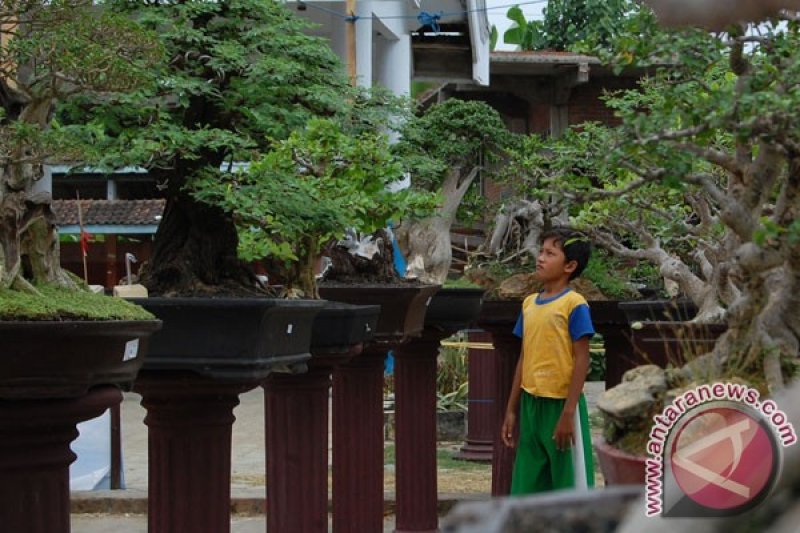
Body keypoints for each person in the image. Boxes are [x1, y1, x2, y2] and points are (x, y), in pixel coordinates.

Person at [501, 227, 595, 494]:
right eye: (541, 251)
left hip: (561, 406)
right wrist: (511, 409)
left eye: (550, 253)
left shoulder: (575, 304)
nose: (540, 258)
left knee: (568, 488)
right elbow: (524, 358)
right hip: (531, 404)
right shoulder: (529, 303)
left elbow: (582, 359)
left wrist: (567, 414)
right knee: (526, 486)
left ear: (570, 265)